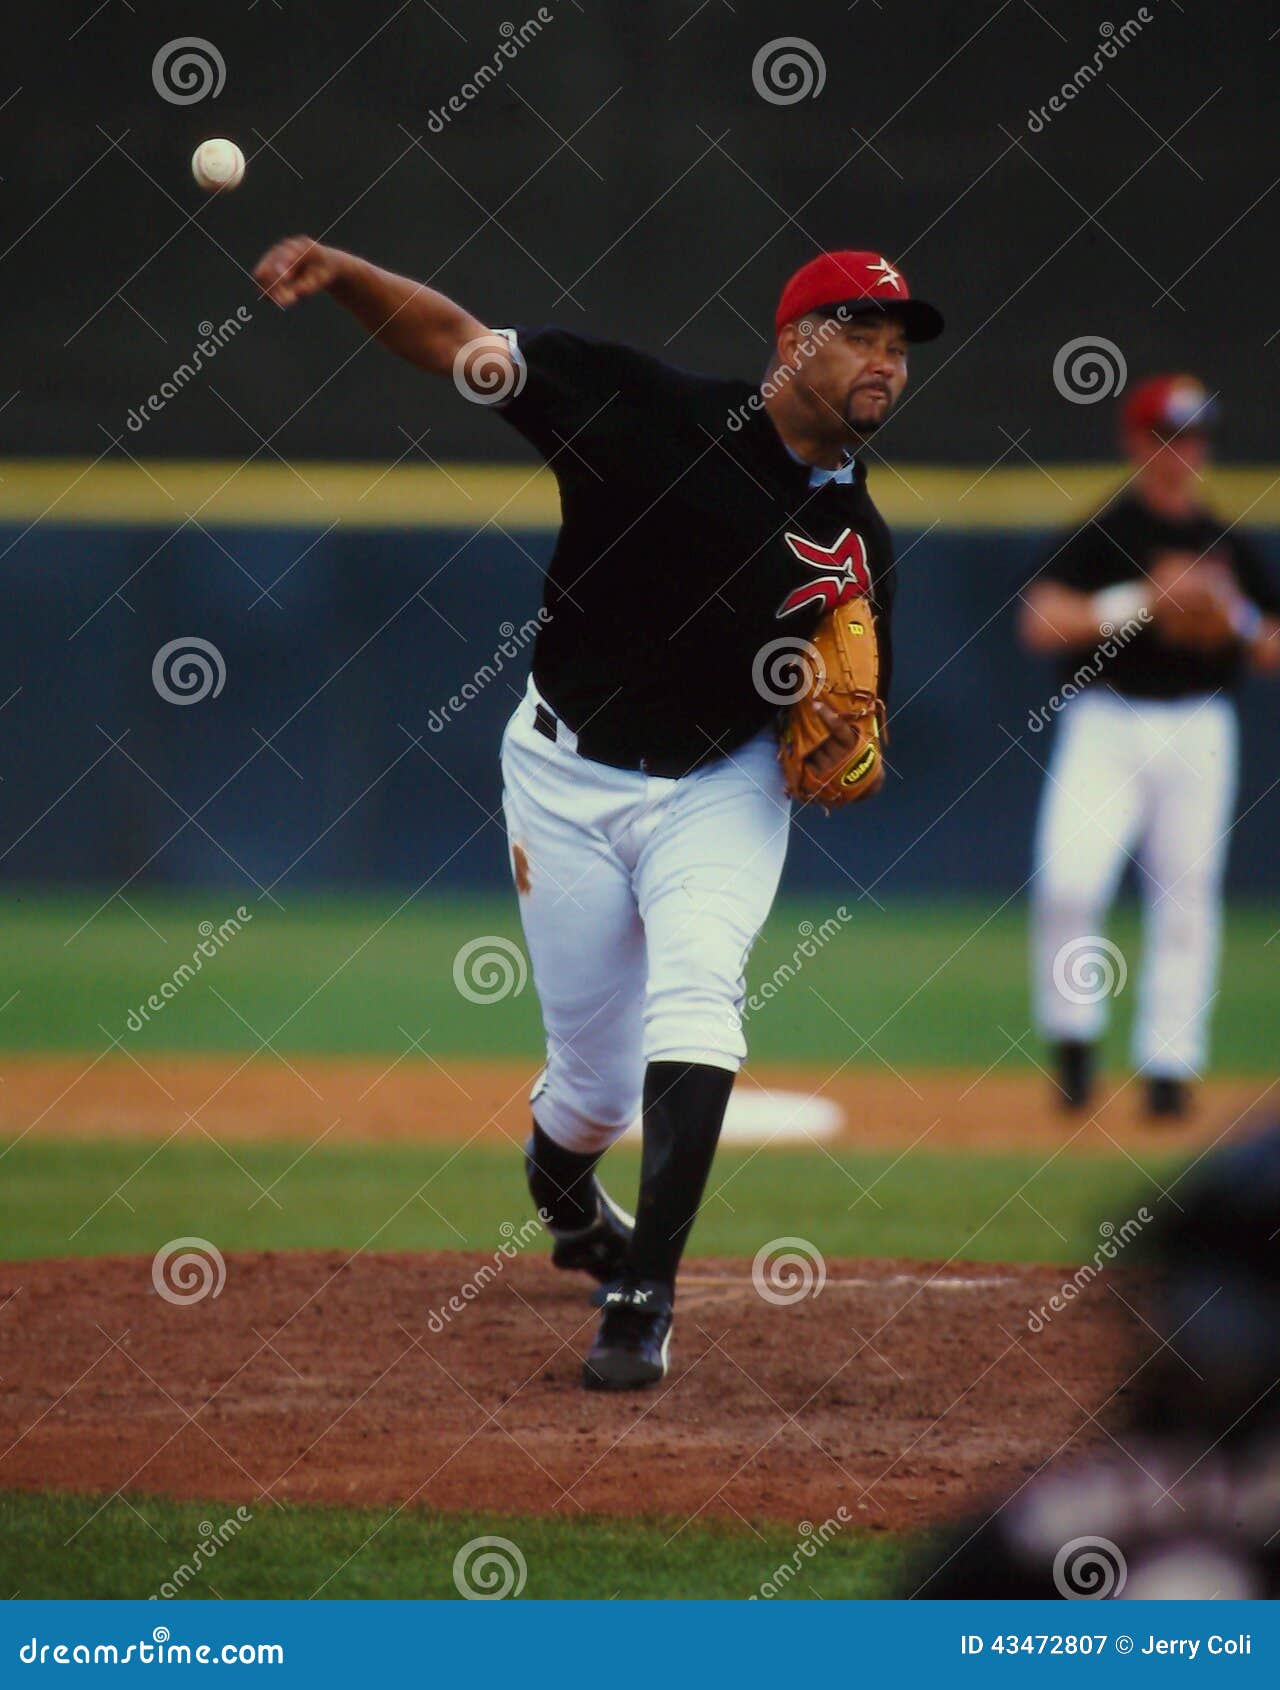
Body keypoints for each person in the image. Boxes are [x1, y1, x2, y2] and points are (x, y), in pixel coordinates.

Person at [253, 238, 942, 1387]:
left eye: (897, 347)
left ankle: (641, 1298)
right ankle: (567, 1195)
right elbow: (457, 344)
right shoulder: (643, 411)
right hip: (564, 776)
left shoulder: (857, 538)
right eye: (859, 336)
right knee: (591, 1092)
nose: (885, 362)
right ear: (792, 344)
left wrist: (837, 747)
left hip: (719, 786)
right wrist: (344, 272)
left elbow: (842, 716)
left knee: (699, 993)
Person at [1019, 376, 1280, 1118]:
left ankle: (1171, 1069)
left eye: (1193, 438)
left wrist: (1229, 615)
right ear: (1137, 441)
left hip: (1200, 725)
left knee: (1187, 897)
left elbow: (1268, 640)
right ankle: (1074, 1044)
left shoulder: (1226, 544)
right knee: (1070, 882)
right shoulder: (1105, 532)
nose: (1182, 453)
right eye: (1168, 436)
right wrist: (1143, 600)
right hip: (1106, 719)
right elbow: (1041, 623)